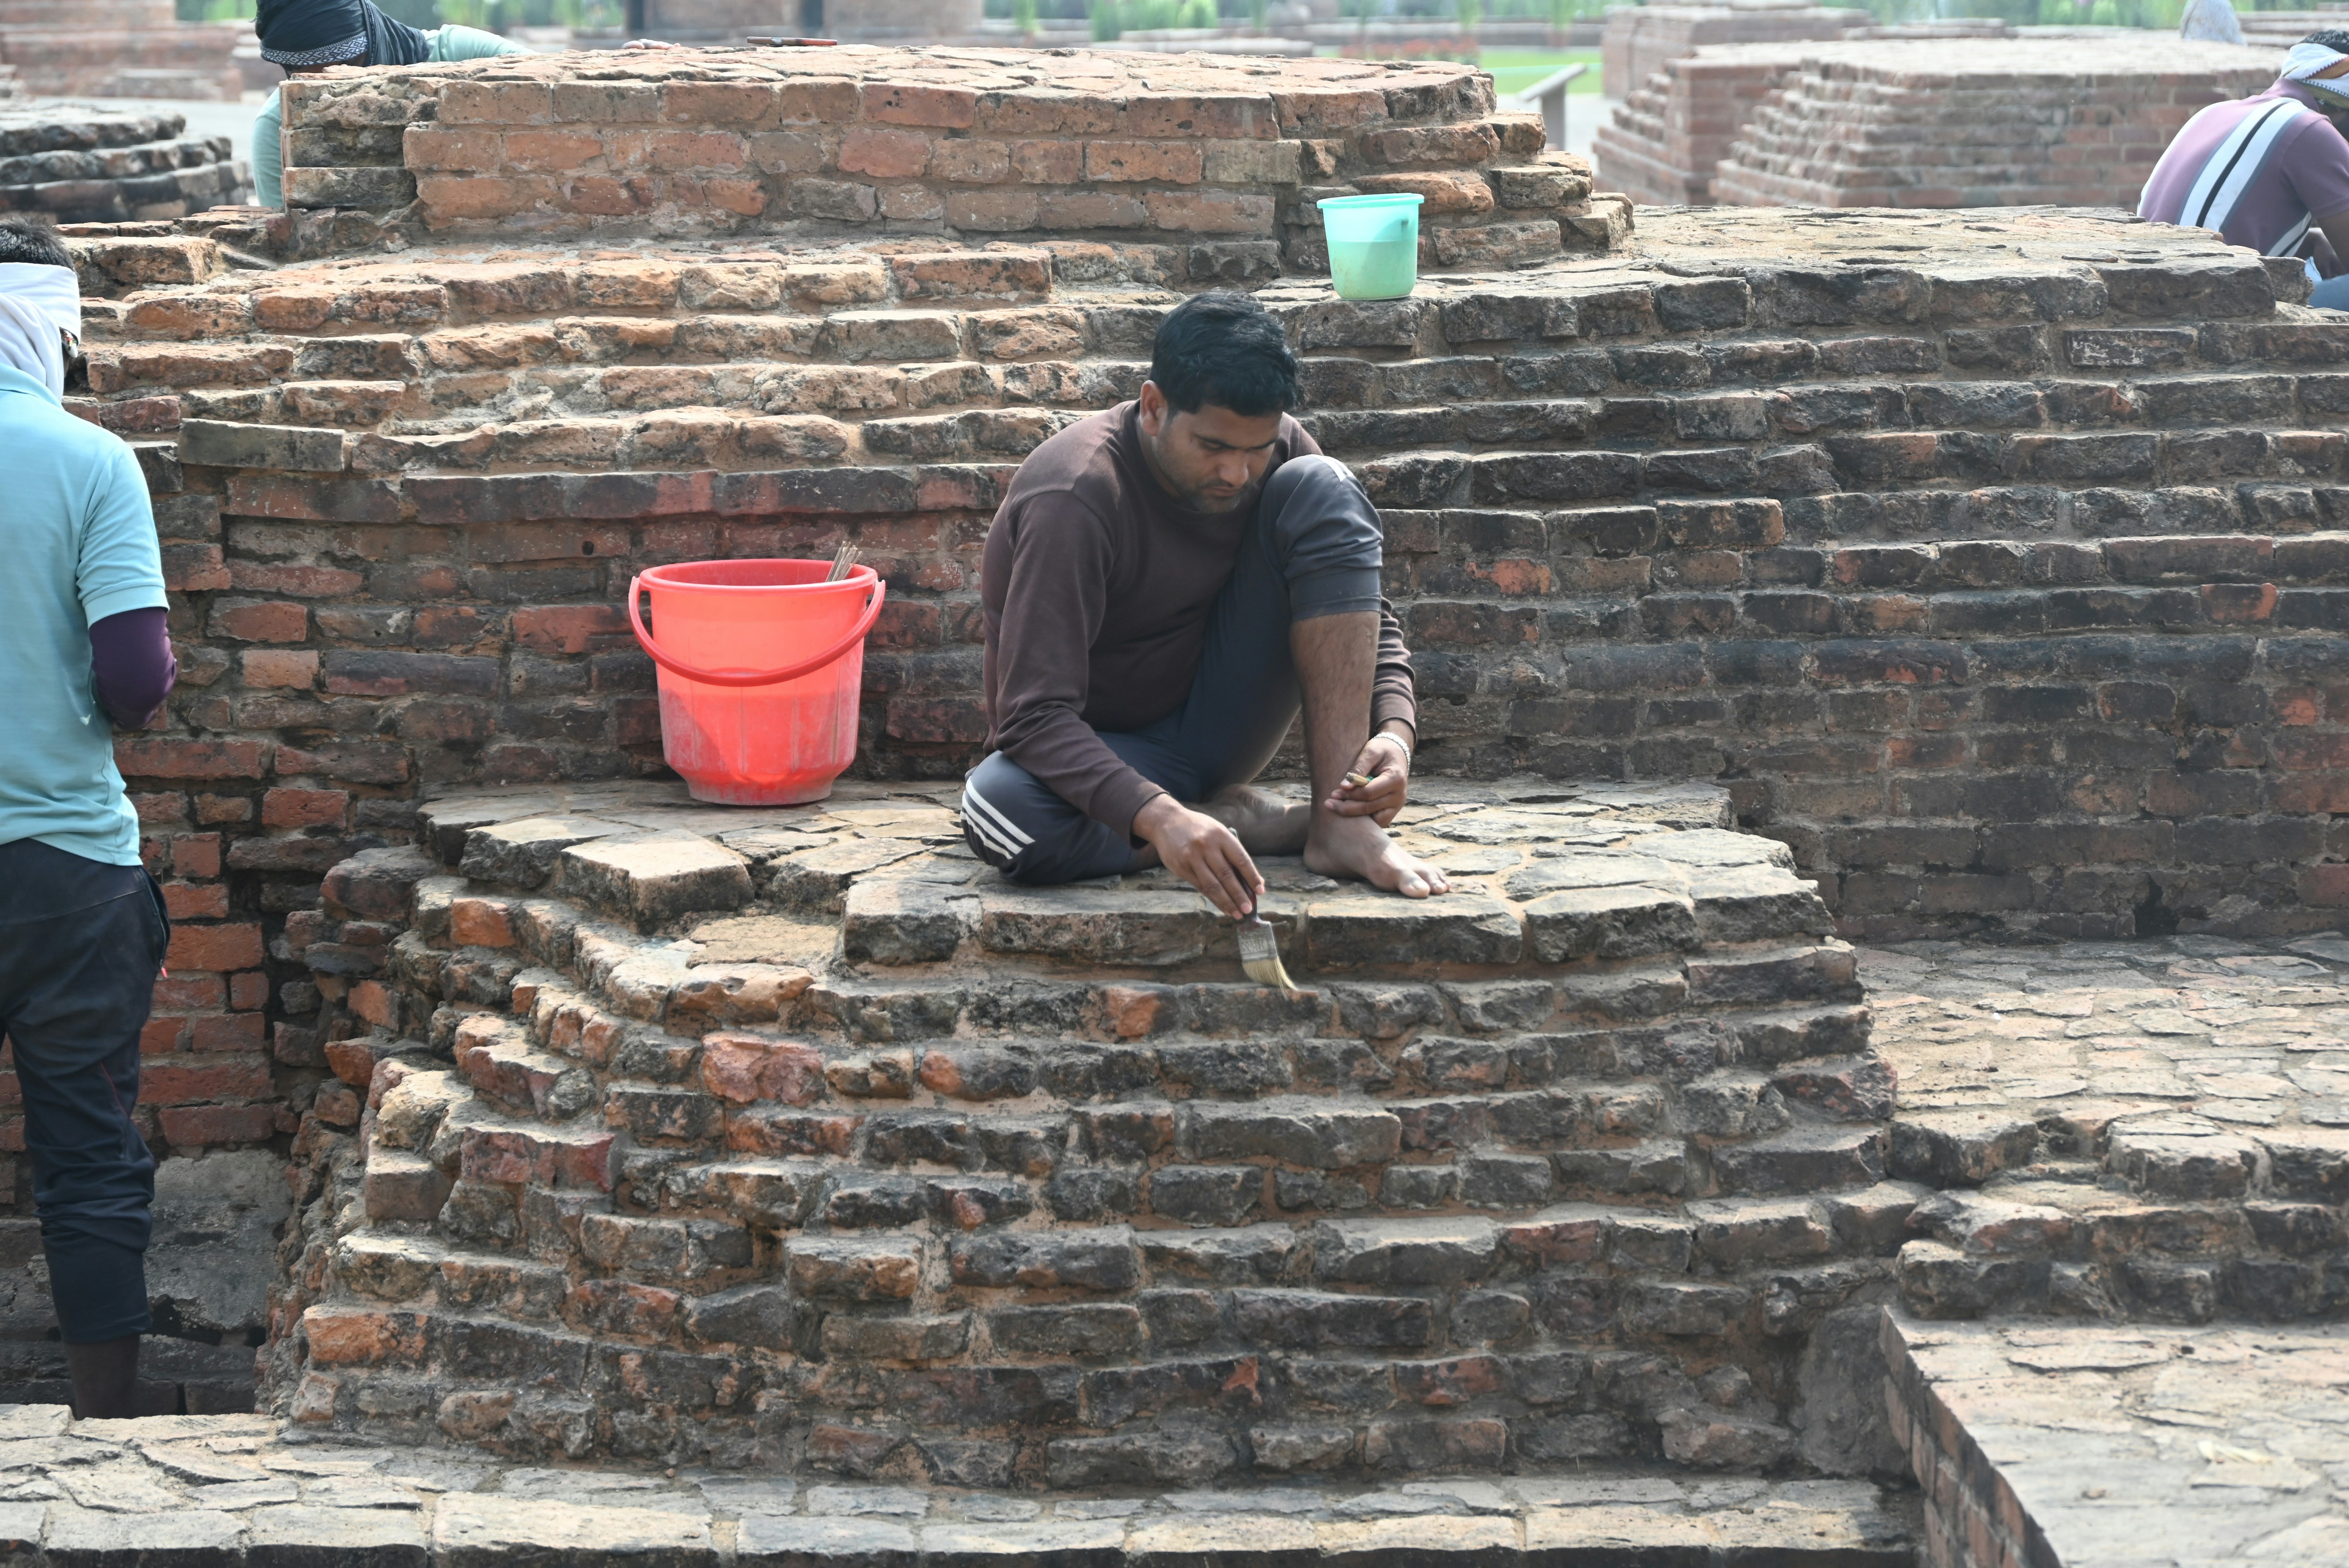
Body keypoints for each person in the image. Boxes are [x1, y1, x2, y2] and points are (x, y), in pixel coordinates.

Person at [963, 291, 1449, 919]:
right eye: (1214, 446)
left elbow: (1358, 605)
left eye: (1256, 449)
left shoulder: (1284, 451)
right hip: (1105, 751)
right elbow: (1029, 717)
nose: (1237, 474)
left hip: (1218, 728)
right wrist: (1159, 820)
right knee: (1000, 808)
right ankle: (1235, 825)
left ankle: (1341, 829)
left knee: (1326, 485)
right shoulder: (1075, 495)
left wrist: (1396, 731)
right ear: (1154, 407)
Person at [0, 218, 178, 1421]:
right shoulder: (91, 461)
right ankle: (105, 1426)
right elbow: (136, 677)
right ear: (51, 328)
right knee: (84, 1151)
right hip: (66, 866)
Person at [2140, 30, 2349, 309]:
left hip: (2145, 296)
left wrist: (2309, 240)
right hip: (2211, 312)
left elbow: (2221, 220)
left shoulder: (2214, 113)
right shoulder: (2310, 129)